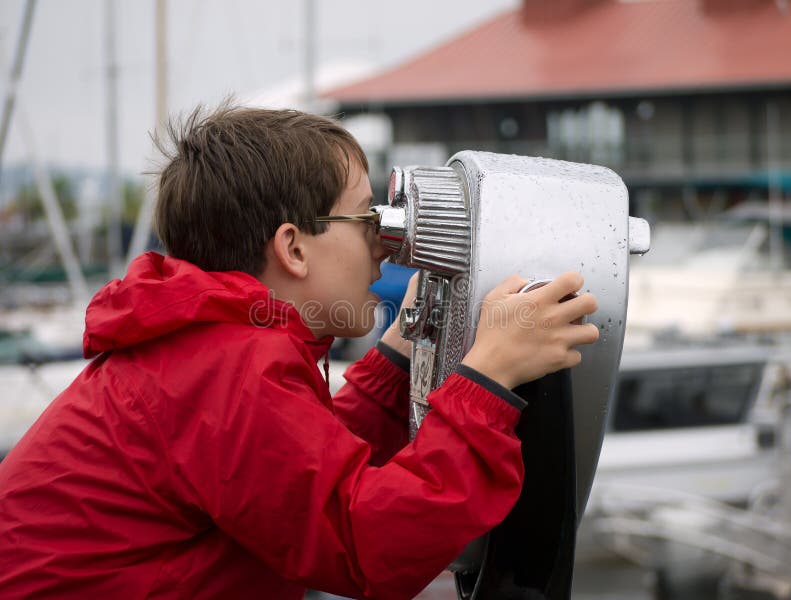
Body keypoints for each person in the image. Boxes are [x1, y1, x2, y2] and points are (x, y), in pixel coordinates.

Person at [0, 104, 599, 599]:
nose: (385, 244)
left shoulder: (205, 345)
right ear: (293, 248)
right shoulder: (225, 365)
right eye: (367, 218)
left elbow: (293, 479)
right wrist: (489, 379)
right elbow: (367, 543)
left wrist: (399, 352)